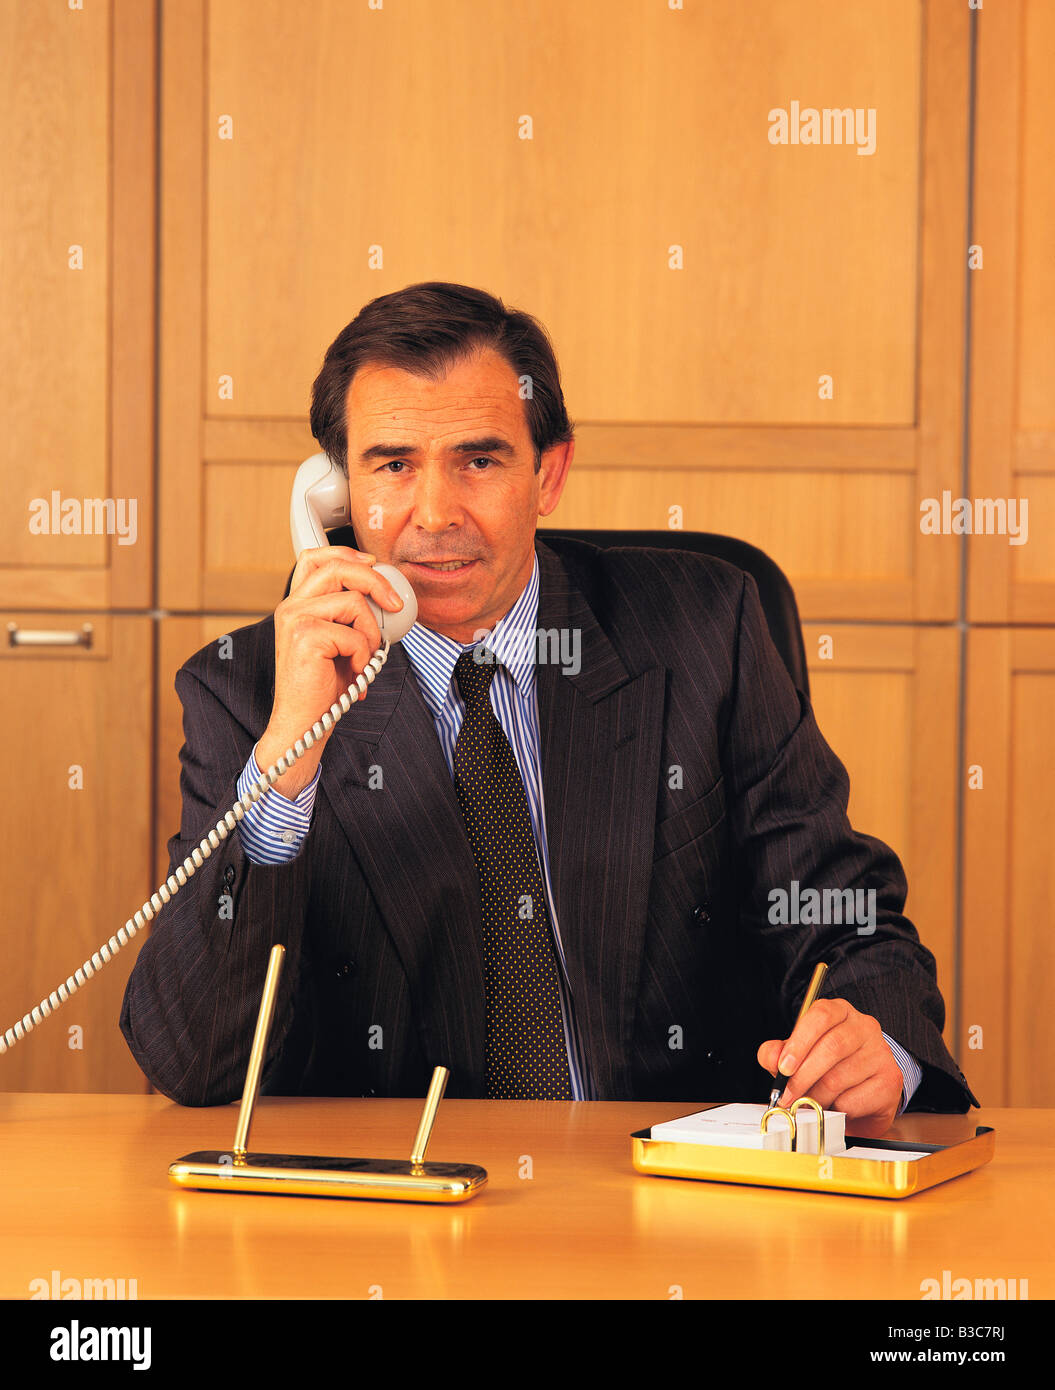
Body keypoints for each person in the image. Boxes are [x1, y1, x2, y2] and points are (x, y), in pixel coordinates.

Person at [120, 282, 977, 1135]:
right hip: (393, 1216)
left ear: (549, 473)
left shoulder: (706, 629)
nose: (434, 514)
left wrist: (879, 1045)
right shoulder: (248, 694)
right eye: (392, 466)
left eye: (479, 461)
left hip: (674, 1201)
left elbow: (839, 911)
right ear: (335, 496)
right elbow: (196, 1060)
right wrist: (287, 766)